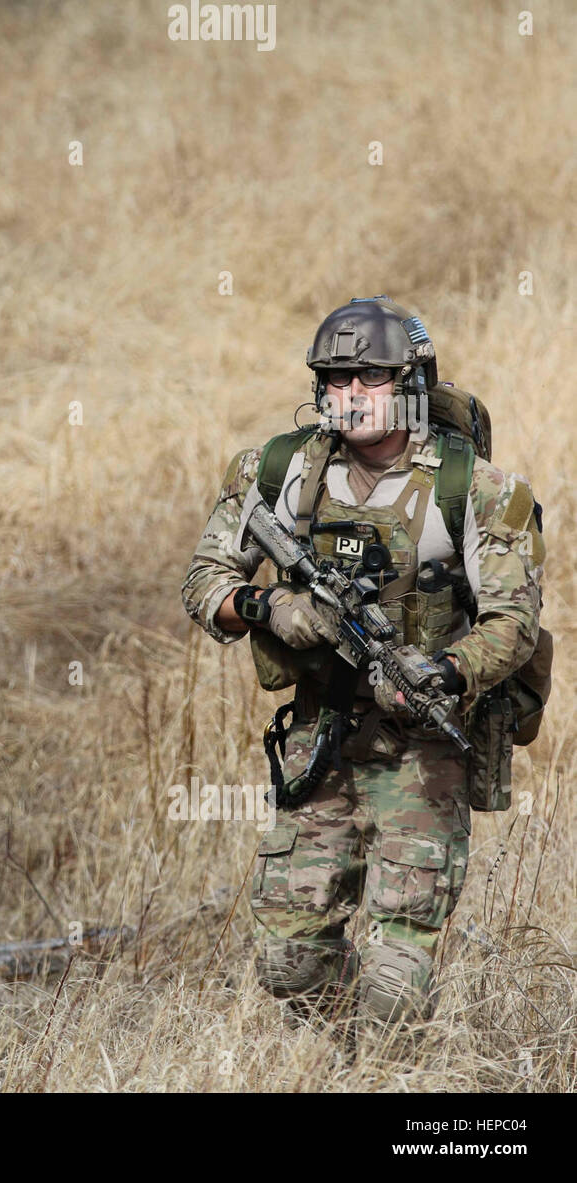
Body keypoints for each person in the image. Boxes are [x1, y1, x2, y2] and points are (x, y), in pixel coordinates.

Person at [180, 296, 544, 1032]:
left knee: (394, 977)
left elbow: (514, 625)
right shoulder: (276, 468)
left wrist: (441, 672)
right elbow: (204, 582)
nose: (350, 395)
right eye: (336, 377)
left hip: (424, 749)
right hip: (321, 737)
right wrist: (270, 609)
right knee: (289, 959)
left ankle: (394, 1069)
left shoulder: (478, 490)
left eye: (371, 378)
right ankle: (346, 1057)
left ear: (413, 382)